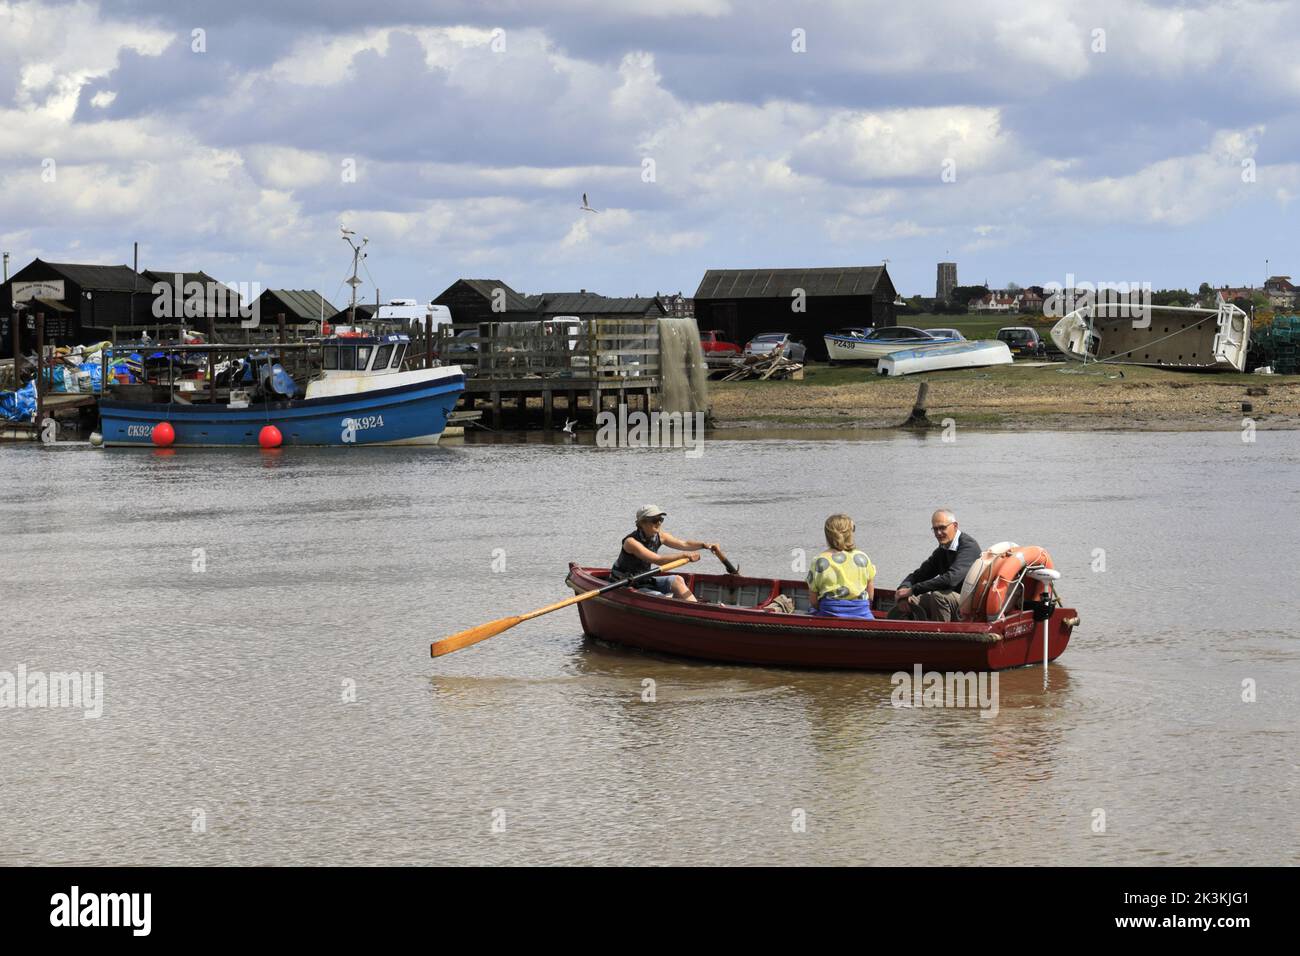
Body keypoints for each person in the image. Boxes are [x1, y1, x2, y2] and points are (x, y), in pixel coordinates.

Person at [610, 505, 723, 601]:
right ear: (642, 523)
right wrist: (684, 556)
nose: (659, 522)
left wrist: (705, 545)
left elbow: (684, 544)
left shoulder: (661, 536)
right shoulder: (631, 542)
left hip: (644, 580)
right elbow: (658, 560)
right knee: (661, 598)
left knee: (678, 580)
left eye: (661, 519)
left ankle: (698, 610)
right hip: (624, 584)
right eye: (654, 520)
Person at [890, 509, 981, 622]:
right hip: (951, 600)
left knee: (939, 596)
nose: (938, 533)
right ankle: (913, 634)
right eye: (935, 529)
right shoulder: (943, 549)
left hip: (969, 605)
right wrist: (904, 590)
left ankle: (941, 635)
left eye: (942, 528)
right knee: (911, 598)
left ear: (955, 526)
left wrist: (913, 589)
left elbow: (951, 579)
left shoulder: (968, 547)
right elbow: (919, 574)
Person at [805, 514, 876, 619]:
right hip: (861, 612)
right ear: (851, 534)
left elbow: (813, 600)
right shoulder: (862, 558)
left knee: (810, 612)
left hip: (829, 612)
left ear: (827, 536)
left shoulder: (820, 561)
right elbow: (870, 596)